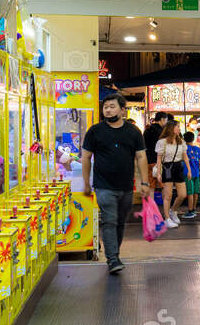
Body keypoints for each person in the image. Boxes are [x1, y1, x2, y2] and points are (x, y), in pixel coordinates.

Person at [80, 93, 147, 274]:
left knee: (120, 222)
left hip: (126, 186)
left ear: (123, 110)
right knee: (109, 220)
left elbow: (141, 156)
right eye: (105, 107)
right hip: (103, 186)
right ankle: (112, 258)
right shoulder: (95, 131)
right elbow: (85, 157)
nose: (107, 110)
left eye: (112, 107)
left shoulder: (134, 132)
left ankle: (113, 252)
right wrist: (86, 183)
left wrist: (145, 182)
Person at [155, 117, 189, 228]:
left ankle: (173, 210)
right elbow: (159, 159)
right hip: (167, 168)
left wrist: (188, 169)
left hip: (178, 167)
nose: (179, 129)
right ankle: (167, 219)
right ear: (171, 128)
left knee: (183, 194)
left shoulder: (181, 142)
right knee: (168, 195)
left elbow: (185, 157)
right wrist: (159, 172)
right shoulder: (162, 142)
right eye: (177, 126)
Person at [182, 130, 200, 220]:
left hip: (188, 173)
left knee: (190, 192)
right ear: (193, 139)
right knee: (195, 192)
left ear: (184, 139)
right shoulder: (197, 149)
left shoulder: (184, 148)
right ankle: (194, 209)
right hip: (196, 173)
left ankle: (190, 211)